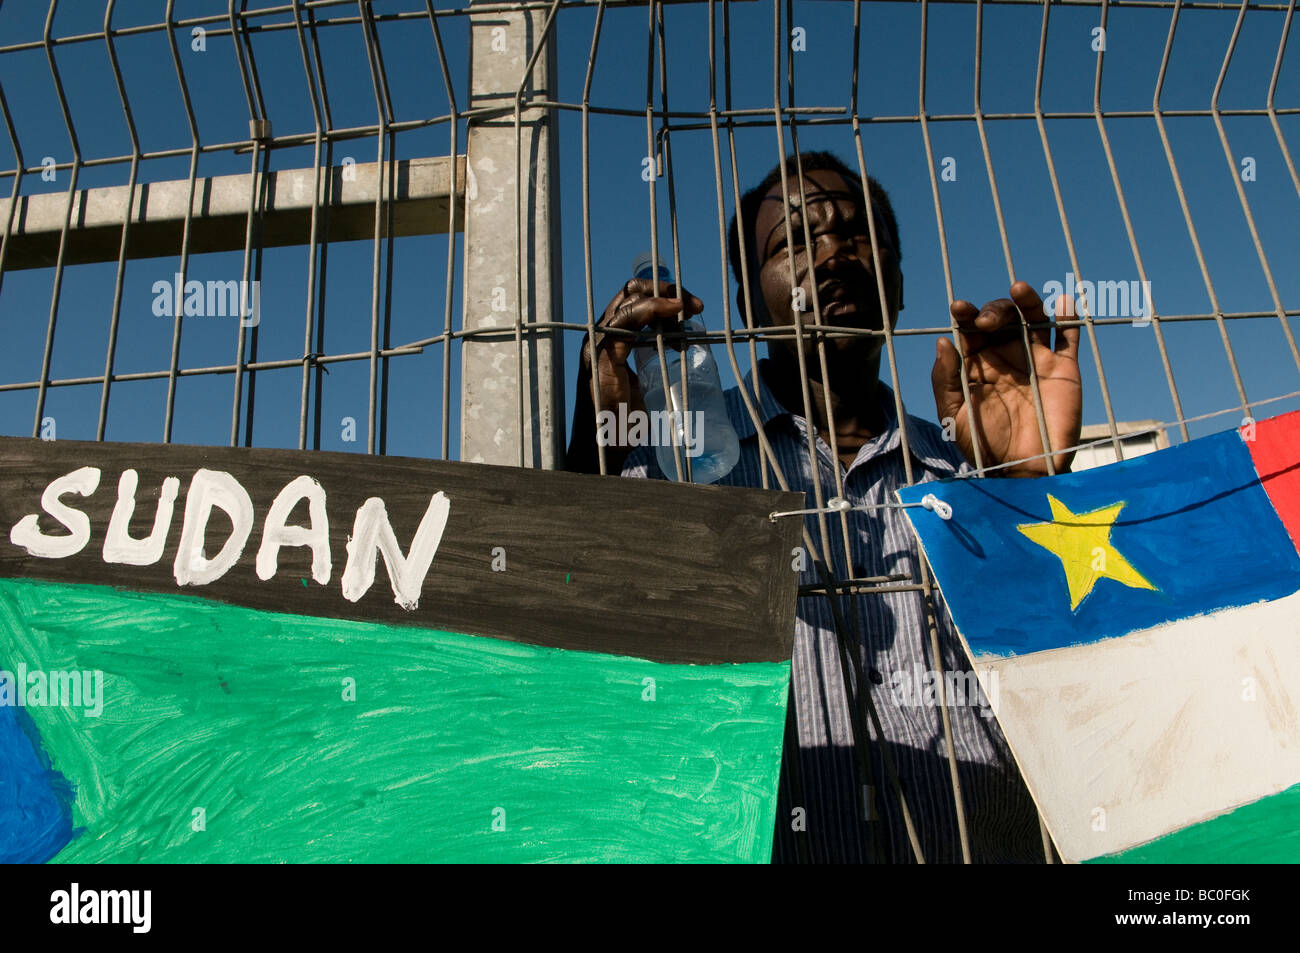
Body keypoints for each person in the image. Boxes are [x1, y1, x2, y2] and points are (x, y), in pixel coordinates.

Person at [566, 151, 1083, 862]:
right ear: (748, 300)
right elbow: (576, 650)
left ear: (898, 283)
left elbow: (1074, 691)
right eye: (794, 243)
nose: (834, 255)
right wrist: (587, 451)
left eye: (857, 237)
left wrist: (1025, 491)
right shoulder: (683, 472)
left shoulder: (963, 472)